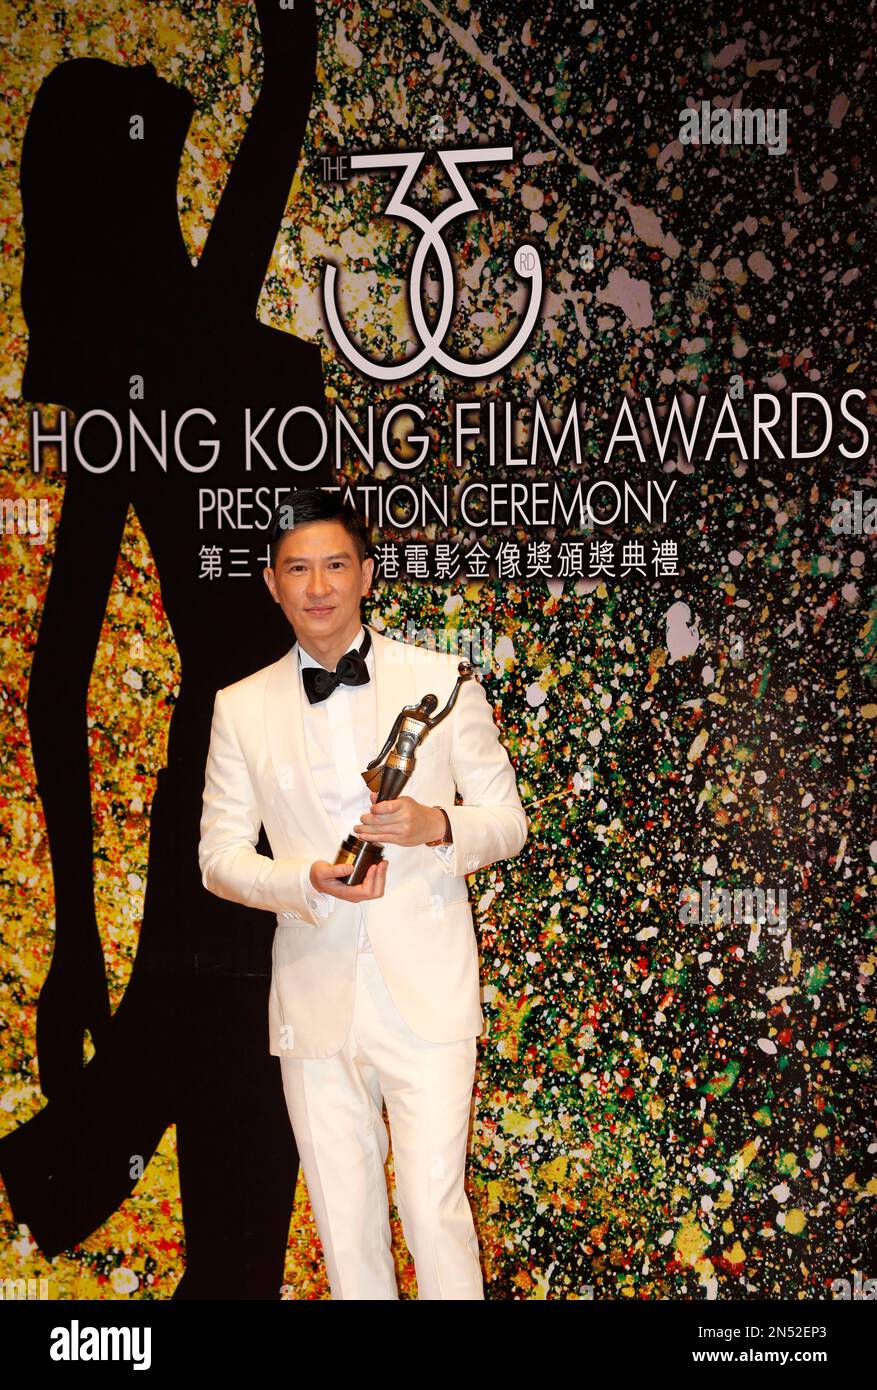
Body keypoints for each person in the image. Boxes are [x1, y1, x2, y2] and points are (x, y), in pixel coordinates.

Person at [0, 1, 325, 1298]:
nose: (180, 195)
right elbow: (56, 675)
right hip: (259, 788)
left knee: (221, 1164)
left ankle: (70, 1162)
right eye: (155, 169)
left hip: (258, 781)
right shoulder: (181, 343)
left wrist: (79, 932)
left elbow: (58, 674)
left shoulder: (148, 362)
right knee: (236, 1175)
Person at [198, 489, 528, 1299]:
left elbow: (507, 823)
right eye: (298, 569)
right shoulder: (239, 708)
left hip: (429, 996)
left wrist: (435, 825)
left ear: (367, 575)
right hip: (313, 1000)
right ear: (271, 584)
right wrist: (300, 882)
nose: (318, 587)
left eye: (335, 565)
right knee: (345, 1232)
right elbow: (218, 858)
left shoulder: (441, 681)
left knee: (432, 1209)